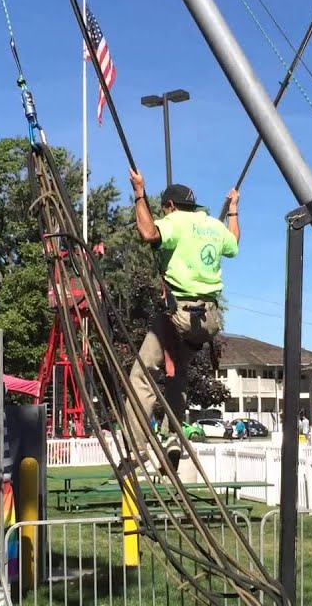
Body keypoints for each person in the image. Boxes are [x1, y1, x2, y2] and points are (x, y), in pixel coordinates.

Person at [123, 169, 239, 468]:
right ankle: (173, 438)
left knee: (142, 375)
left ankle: (137, 450)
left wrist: (139, 193)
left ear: (171, 206)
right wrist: (233, 210)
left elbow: (149, 233)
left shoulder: (174, 221)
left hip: (180, 313)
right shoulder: (213, 225)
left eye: (164, 209)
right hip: (208, 319)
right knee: (177, 376)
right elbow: (233, 243)